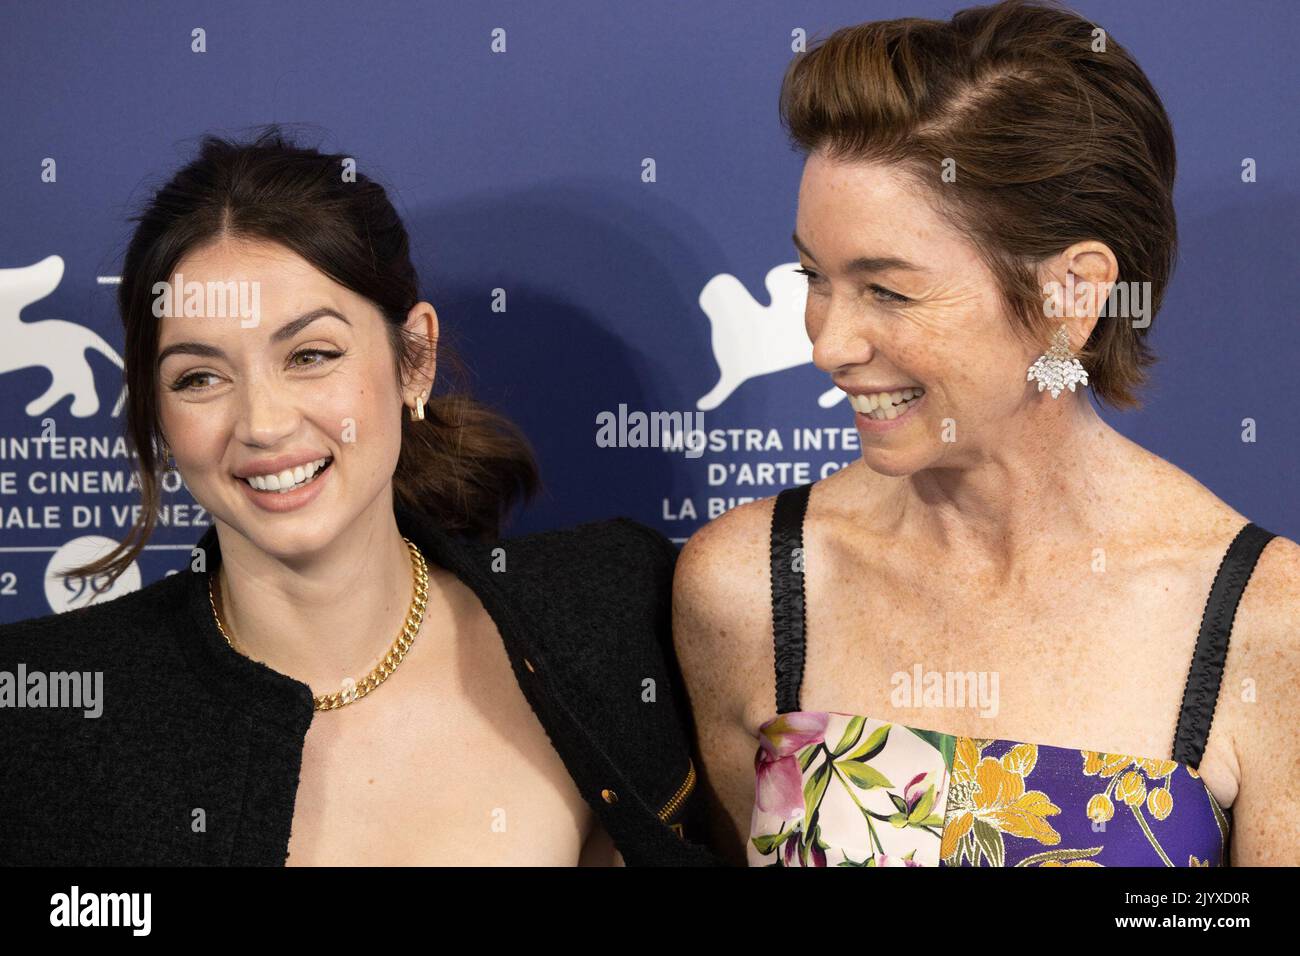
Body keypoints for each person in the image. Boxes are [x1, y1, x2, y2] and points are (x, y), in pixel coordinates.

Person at [672, 0, 1299, 867]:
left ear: (1072, 295)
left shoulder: (1269, 621)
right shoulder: (746, 588)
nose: (827, 345)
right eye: (814, 276)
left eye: (887, 290)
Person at [0, 127, 717, 866]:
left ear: (415, 359)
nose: (264, 424)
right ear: (155, 409)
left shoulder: (611, 612)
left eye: (310, 355)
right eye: (199, 377)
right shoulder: (43, 716)